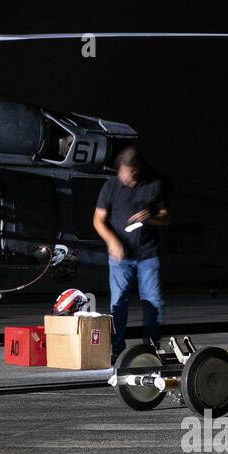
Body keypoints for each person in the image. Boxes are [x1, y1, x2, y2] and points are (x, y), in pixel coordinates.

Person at [93, 146, 169, 359]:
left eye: (132, 172)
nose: (127, 177)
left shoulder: (154, 185)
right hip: (120, 258)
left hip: (148, 255)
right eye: (124, 173)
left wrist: (151, 218)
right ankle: (116, 349)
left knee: (152, 300)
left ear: (138, 169)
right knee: (118, 302)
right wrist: (112, 240)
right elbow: (98, 220)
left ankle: (152, 347)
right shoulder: (110, 187)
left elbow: (166, 217)